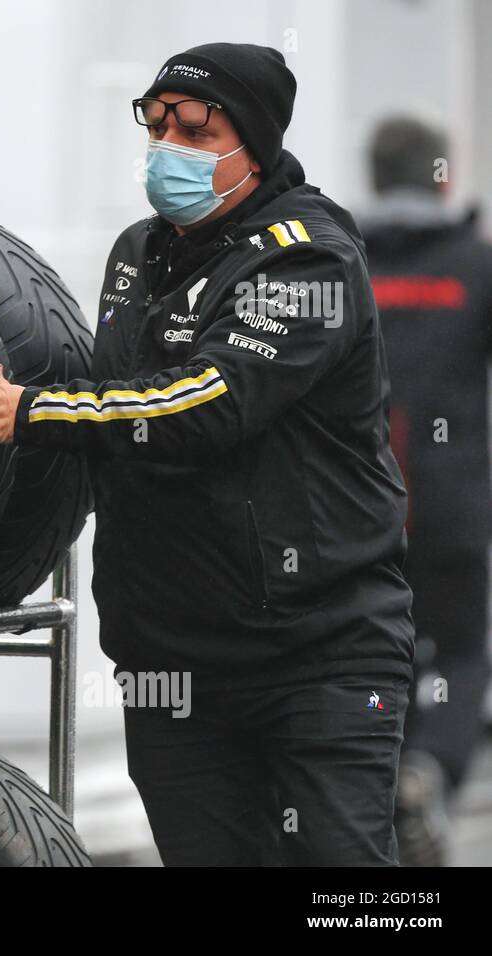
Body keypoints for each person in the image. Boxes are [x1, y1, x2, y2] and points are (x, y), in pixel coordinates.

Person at [0, 43, 413, 865]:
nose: (169, 147)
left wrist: (37, 411)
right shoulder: (137, 252)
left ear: (256, 142)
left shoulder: (309, 258)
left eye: (197, 129)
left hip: (319, 655)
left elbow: (209, 402)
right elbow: (113, 406)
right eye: (157, 123)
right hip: (168, 659)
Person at [357, 116, 492, 866]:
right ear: (443, 176)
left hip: (356, 513)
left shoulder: (337, 264)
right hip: (450, 507)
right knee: (463, 654)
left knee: (379, 661)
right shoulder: (474, 264)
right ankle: (430, 772)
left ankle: (383, 799)